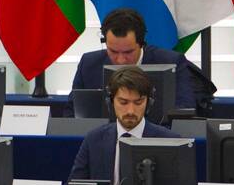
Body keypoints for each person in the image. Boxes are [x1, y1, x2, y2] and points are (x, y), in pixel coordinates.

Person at [68, 66, 181, 185]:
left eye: (138, 103)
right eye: (123, 102)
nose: (130, 111)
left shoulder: (170, 141)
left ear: (148, 103)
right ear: (110, 102)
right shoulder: (94, 139)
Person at [70, 7, 204, 111]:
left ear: (141, 43)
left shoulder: (171, 62)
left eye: (128, 52)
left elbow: (185, 109)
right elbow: (71, 111)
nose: (121, 60)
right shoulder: (88, 64)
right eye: (113, 51)